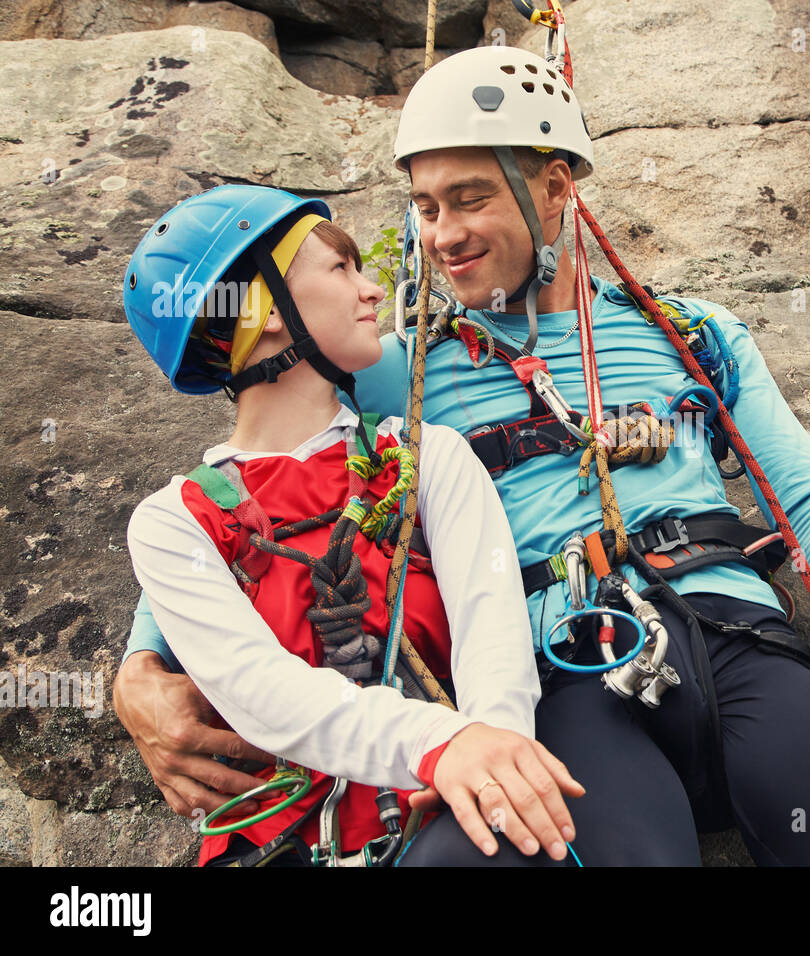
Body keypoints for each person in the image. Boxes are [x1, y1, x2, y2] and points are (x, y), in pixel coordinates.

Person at [118, 46, 810, 865]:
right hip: (559, 682)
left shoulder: (687, 335)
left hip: (736, 641)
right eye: (425, 208)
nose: (442, 235)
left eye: (469, 199)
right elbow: (263, 478)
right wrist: (142, 666)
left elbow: (806, 497)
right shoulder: (395, 375)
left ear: (556, 187)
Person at [119, 183, 582, 867]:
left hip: (451, 820)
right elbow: (260, 693)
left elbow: (493, 630)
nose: (373, 292)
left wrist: (493, 754)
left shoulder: (429, 458)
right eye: (341, 268)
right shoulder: (170, 525)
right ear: (267, 308)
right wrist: (445, 745)